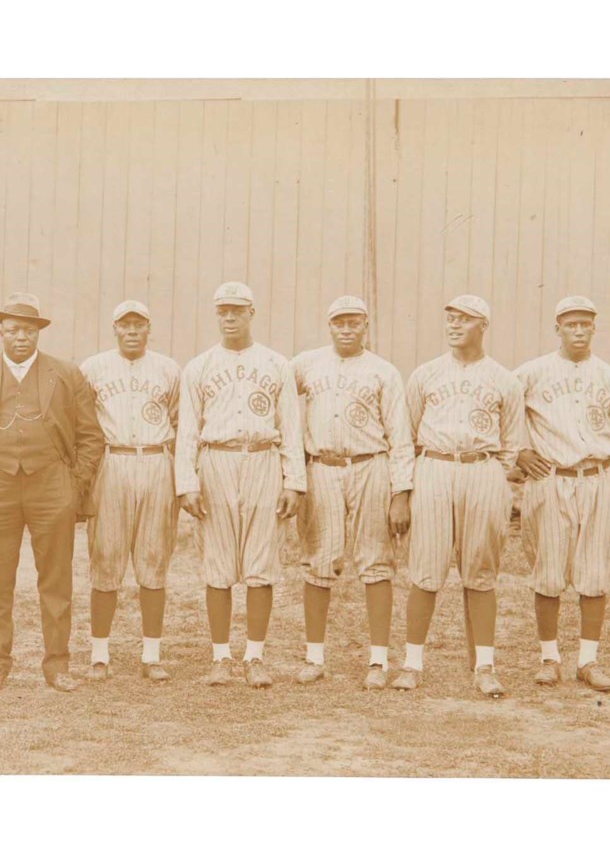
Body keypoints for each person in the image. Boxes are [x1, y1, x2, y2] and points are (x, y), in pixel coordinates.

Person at [0, 292, 105, 692]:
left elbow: (91, 436)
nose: (21, 337)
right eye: (14, 330)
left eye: (29, 330)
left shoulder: (66, 375)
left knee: (55, 581)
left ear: (39, 334)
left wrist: (74, 484)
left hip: (51, 487)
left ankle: (57, 665)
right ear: (0, 333)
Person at [175, 282, 308, 689]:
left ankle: (254, 656)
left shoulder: (276, 363)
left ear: (252, 313)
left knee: (260, 563)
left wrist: (294, 482)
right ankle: (220, 657)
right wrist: (186, 482)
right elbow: (186, 431)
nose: (229, 318)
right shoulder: (199, 366)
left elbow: (290, 426)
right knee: (217, 562)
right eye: (222, 312)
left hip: (263, 457)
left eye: (236, 311)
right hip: (216, 459)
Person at [398, 294, 525, 698]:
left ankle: (484, 666)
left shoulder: (504, 379)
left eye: (464, 319)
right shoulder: (425, 374)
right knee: (426, 570)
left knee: (480, 572)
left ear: (483, 325)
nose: (454, 325)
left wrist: (492, 476)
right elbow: (406, 435)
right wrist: (403, 490)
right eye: (450, 318)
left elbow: (512, 442)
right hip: (434, 466)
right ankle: (412, 664)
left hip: (482, 468)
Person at [288, 295, 412, 689]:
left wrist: (401, 492)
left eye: (353, 322)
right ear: (329, 326)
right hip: (322, 466)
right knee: (318, 560)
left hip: (369, 464)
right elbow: (275, 394)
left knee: (375, 561)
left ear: (365, 326)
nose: (346, 329)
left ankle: (378, 661)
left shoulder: (383, 371)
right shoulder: (307, 364)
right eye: (339, 322)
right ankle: (314, 657)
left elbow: (400, 435)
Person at [515, 296, 610, 693]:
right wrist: (518, 451)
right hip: (551, 477)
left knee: (594, 573)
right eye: (571, 325)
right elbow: (503, 410)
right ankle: (549, 658)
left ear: (594, 328)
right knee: (548, 571)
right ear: (557, 329)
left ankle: (588, 660)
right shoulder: (531, 373)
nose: (578, 331)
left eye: (585, 324)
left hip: (598, 477)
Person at [79, 300, 180, 681]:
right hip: (113, 459)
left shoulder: (169, 369)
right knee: (105, 559)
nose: (132, 331)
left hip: (155, 459)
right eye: (125, 324)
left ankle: (151, 655)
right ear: (115, 328)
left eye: (139, 324)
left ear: (149, 328)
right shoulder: (92, 368)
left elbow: (178, 418)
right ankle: (99, 654)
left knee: (154, 561)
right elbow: (83, 424)